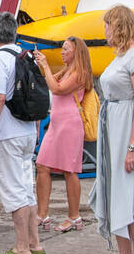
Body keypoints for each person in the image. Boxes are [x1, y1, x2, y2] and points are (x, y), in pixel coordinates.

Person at [88, 6, 134, 254]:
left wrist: (133, 146)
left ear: (118, 25)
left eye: (107, 25)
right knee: (116, 195)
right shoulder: (121, 56)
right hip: (112, 127)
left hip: (128, 127)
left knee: (133, 197)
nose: (104, 31)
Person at [0, 12, 44, 254]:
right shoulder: (27, 57)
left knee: (13, 190)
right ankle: (35, 242)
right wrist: (35, 130)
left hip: (7, 133)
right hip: (27, 130)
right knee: (27, 188)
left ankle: (21, 247)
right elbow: (37, 96)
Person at [32, 36, 92, 233]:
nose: (62, 52)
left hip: (69, 124)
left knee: (70, 170)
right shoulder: (68, 70)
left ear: (76, 52)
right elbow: (49, 82)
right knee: (42, 164)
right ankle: (42, 214)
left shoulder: (80, 73)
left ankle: (74, 216)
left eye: (66, 49)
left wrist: (46, 66)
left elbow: (57, 89)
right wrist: (43, 66)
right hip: (58, 123)